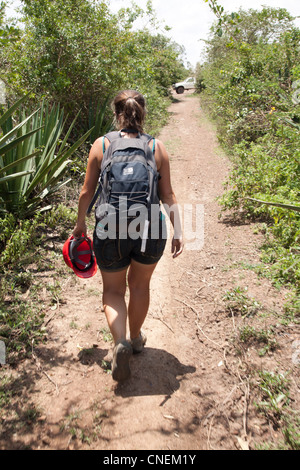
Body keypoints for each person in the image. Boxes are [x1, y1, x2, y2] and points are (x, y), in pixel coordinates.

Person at [72, 90, 183, 381]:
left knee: (112, 291)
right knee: (141, 286)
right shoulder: (157, 147)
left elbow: (86, 192)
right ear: (142, 113)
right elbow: (167, 194)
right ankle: (135, 339)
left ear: (116, 113)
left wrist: (80, 225)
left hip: (110, 227)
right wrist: (178, 229)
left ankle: (119, 340)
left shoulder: (102, 144)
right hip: (150, 228)